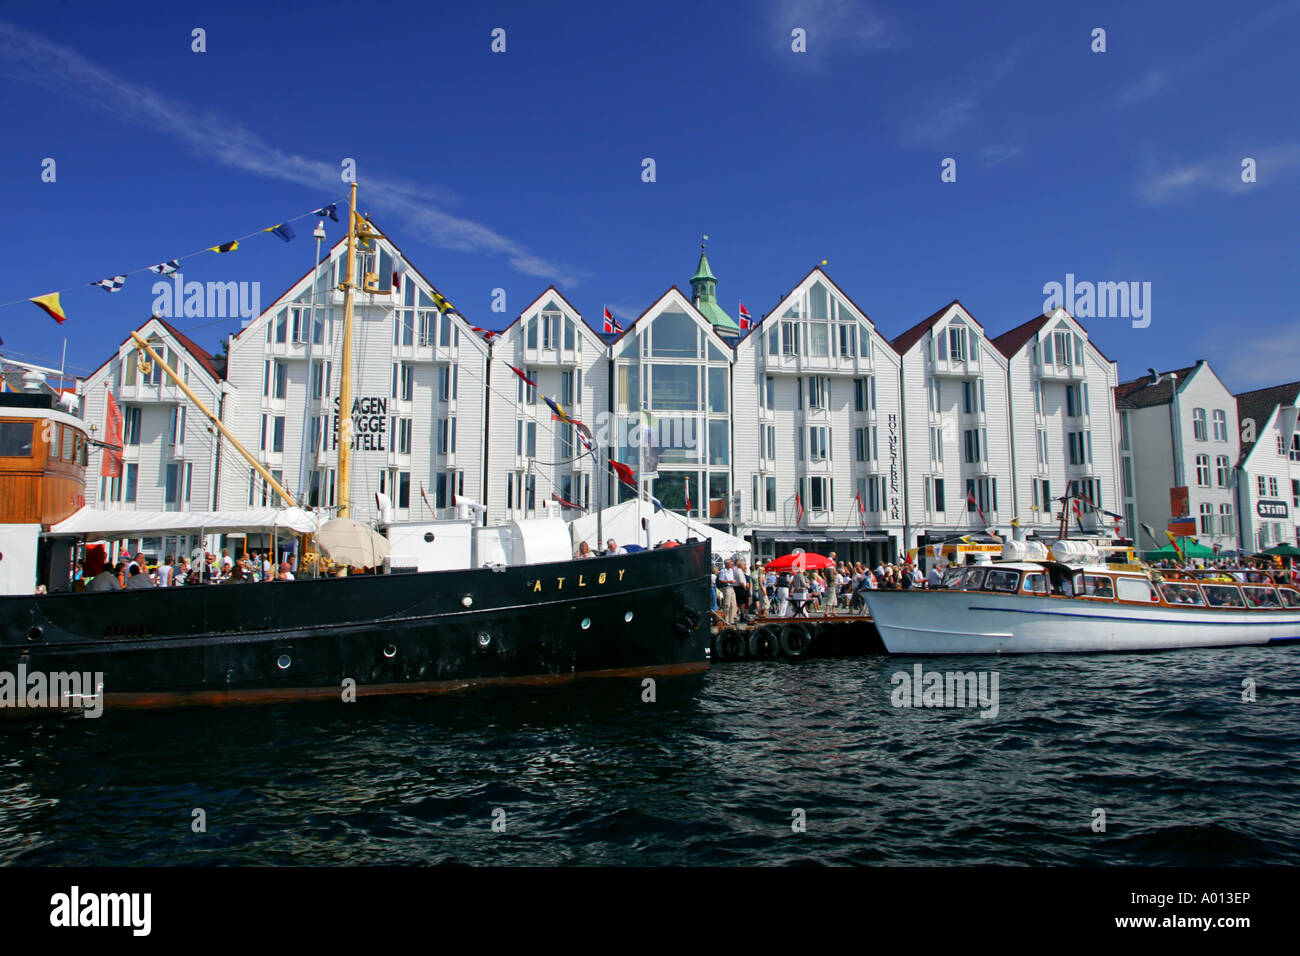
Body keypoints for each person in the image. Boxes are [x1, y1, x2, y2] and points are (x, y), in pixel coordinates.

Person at [717, 559, 739, 625]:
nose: (731, 564)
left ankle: (731, 620)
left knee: (734, 604)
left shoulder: (731, 570)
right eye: (730, 563)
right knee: (727, 604)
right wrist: (729, 581)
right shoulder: (723, 571)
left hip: (731, 587)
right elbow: (721, 580)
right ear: (727, 564)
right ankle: (726, 620)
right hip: (726, 587)